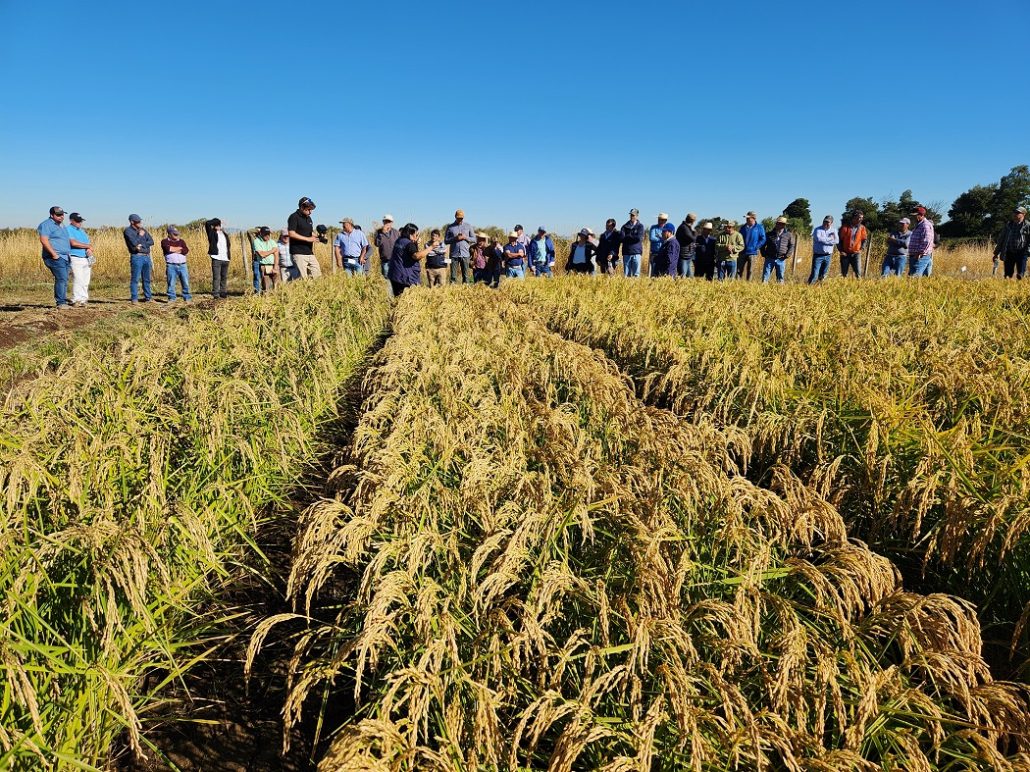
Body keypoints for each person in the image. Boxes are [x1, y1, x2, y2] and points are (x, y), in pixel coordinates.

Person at [37, 206, 72, 309]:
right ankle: (60, 302)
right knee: (61, 278)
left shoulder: (61, 225)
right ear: (52, 215)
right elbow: (44, 240)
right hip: (55, 257)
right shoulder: (46, 225)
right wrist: (54, 254)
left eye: (62, 214)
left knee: (64, 278)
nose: (61, 216)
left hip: (65, 256)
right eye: (58, 215)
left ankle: (63, 301)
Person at [387, 223, 431, 296]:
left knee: (397, 298)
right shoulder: (409, 244)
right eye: (416, 234)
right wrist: (431, 247)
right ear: (410, 234)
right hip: (403, 278)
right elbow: (416, 256)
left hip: (394, 275)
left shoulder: (399, 240)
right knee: (406, 300)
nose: (417, 236)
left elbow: (407, 253)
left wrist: (415, 243)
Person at [288, 196, 322, 279]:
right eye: (309, 209)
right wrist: (308, 239)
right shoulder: (294, 217)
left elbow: (310, 232)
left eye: (311, 209)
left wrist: (318, 237)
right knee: (302, 279)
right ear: (302, 207)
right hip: (298, 253)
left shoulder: (309, 218)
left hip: (309, 252)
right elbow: (291, 233)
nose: (311, 212)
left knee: (317, 275)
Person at [124, 214, 154, 303]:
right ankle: (134, 299)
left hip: (146, 257)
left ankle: (148, 298)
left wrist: (142, 245)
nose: (140, 223)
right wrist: (140, 236)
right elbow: (133, 243)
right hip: (136, 257)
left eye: (140, 221)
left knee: (147, 279)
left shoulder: (143, 230)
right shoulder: (128, 231)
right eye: (138, 221)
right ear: (132, 222)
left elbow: (151, 241)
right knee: (135, 278)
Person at [993, 206, 1030, 280]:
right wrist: (996, 253)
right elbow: (1001, 240)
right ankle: (1007, 290)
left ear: (1023, 214)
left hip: (1022, 253)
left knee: (1020, 274)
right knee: (1007, 275)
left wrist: (1028, 250)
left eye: (1018, 213)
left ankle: (1020, 290)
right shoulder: (1008, 225)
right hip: (1009, 252)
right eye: (1014, 212)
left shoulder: (1028, 225)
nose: (1015, 214)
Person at [66, 212, 93, 307]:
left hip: (86, 258)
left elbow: (88, 243)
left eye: (80, 221)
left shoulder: (82, 231)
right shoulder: (68, 229)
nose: (79, 223)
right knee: (78, 279)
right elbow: (73, 243)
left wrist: (89, 249)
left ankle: (83, 299)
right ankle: (76, 299)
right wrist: (87, 246)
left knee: (86, 280)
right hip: (75, 257)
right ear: (71, 221)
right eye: (77, 221)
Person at [161, 225, 193, 302]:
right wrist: (179, 248)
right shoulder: (164, 241)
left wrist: (176, 249)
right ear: (169, 233)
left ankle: (187, 298)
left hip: (183, 265)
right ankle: (172, 298)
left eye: (177, 233)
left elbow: (186, 251)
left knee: (185, 282)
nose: (176, 235)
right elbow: (168, 249)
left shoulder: (181, 241)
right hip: (171, 265)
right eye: (174, 233)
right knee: (171, 283)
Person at [761, 216, 796, 284]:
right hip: (769, 258)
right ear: (776, 223)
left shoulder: (788, 235)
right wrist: (764, 254)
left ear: (784, 225)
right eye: (779, 223)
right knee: (765, 276)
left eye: (783, 224)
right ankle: (762, 291)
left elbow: (791, 245)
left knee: (780, 277)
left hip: (781, 259)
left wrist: (787, 255)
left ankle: (780, 292)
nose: (781, 225)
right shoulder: (769, 234)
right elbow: (763, 244)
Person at [445, 209, 475, 284]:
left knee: (466, 276)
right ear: (455, 217)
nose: (460, 219)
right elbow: (446, 240)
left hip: (465, 254)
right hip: (454, 255)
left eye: (461, 218)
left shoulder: (468, 226)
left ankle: (465, 291)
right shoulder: (450, 227)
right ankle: (453, 291)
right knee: (453, 276)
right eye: (458, 218)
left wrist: (465, 237)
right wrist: (455, 238)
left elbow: (474, 239)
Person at [205, 218, 231, 299]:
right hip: (216, 258)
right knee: (217, 277)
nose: (220, 226)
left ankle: (223, 292)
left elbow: (228, 246)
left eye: (220, 225)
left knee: (224, 277)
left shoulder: (225, 234)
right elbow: (207, 223)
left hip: (225, 258)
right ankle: (215, 293)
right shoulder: (212, 233)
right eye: (218, 225)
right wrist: (218, 220)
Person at [838, 210, 868, 278]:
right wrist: (841, 251)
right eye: (858, 218)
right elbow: (839, 240)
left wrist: (861, 249)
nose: (860, 219)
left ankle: (859, 287)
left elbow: (864, 240)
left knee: (858, 273)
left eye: (861, 218)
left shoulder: (862, 228)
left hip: (856, 253)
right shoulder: (845, 227)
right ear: (853, 218)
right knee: (844, 274)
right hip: (845, 254)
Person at [907, 206, 935, 277]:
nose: (912, 218)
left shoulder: (925, 225)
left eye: (915, 216)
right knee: (912, 277)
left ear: (921, 215)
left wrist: (919, 253)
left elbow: (926, 241)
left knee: (914, 278)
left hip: (920, 257)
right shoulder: (919, 225)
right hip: (915, 256)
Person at [809, 215, 838, 284]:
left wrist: (825, 240)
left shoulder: (834, 230)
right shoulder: (817, 229)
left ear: (831, 223)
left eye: (828, 222)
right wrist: (830, 239)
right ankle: (809, 287)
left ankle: (819, 288)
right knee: (815, 274)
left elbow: (836, 241)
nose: (826, 223)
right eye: (825, 221)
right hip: (818, 255)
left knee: (823, 275)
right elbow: (819, 239)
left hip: (828, 255)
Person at [738, 211, 766, 280]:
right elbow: (738, 238)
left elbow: (763, 239)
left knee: (750, 271)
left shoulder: (759, 227)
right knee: (738, 270)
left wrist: (756, 247)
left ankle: (749, 285)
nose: (746, 219)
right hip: (742, 252)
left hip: (752, 252)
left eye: (748, 218)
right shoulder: (743, 227)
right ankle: (737, 284)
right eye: (746, 218)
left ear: (753, 218)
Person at [253, 226, 280, 291]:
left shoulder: (272, 241)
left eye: (268, 234)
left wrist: (275, 266)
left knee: (276, 285)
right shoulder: (257, 241)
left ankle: (274, 297)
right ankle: (265, 298)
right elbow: (262, 254)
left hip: (273, 265)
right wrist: (272, 251)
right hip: (264, 266)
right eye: (265, 234)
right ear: (261, 233)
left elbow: (276, 254)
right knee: (266, 285)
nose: (267, 236)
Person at [620, 209, 645, 277]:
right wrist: (633, 237)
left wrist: (628, 237)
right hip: (626, 252)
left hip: (636, 252)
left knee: (636, 275)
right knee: (626, 275)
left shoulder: (640, 226)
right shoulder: (624, 226)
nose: (632, 216)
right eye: (631, 215)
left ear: (637, 216)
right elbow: (622, 238)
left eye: (633, 215)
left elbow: (639, 238)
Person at [374, 215, 399, 281]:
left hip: (395, 260)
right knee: (387, 279)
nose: (387, 223)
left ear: (392, 222)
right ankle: (389, 291)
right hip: (385, 260)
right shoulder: (378, 232)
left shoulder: (396, 232)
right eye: (386, 221)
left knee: (396, 278)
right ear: (383, 222)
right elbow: (377, 244)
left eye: (389, 221)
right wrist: (382, 233)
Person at [675, 213, 698, 277]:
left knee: (690, 277)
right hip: (683, 255)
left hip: (688, 255)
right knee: (683, 276)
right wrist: (694, 232)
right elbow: (693, 238)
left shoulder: (686, 227)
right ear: (692, 220)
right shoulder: (684, 228)